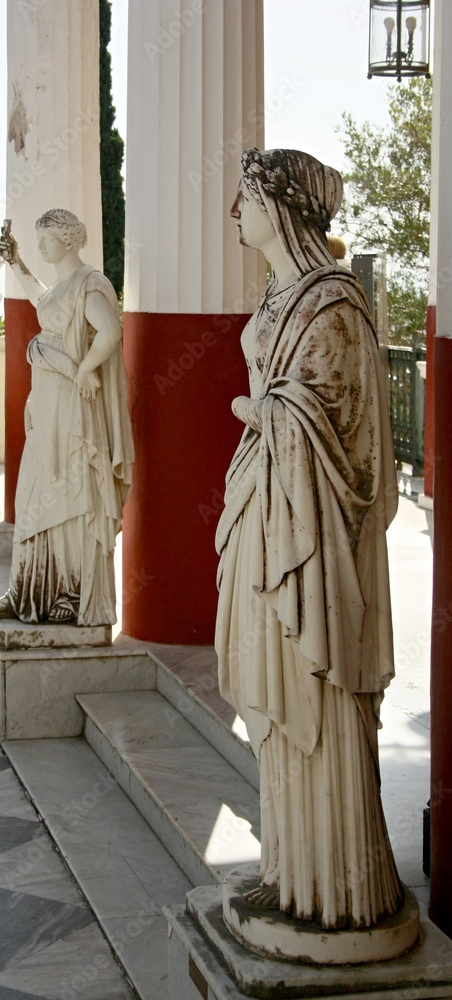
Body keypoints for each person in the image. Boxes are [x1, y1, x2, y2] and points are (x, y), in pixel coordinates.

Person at [215, 148, 402, 930]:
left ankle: (345, 891)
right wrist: (264, 418)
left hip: (316, 537)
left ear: (284, 207)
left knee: (315, 689)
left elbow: (348, 439)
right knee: (276, 689)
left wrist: (263, 414)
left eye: (248, 197)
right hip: (268, 512)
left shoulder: (334, 302)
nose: (234, 213)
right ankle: (290, 872)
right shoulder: (277, 295)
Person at [0, 209, 133, 626]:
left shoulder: (91, 283)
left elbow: (111, 332)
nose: (40, 245)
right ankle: (28, 587)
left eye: (44, 238)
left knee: (69, 489)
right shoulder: (63, 286)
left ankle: (70, 591)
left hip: (71, 404)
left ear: (66, 240)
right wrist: (16, 263)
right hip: (47, 399)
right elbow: (41, 299)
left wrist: (84, 369)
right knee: (33, 490)